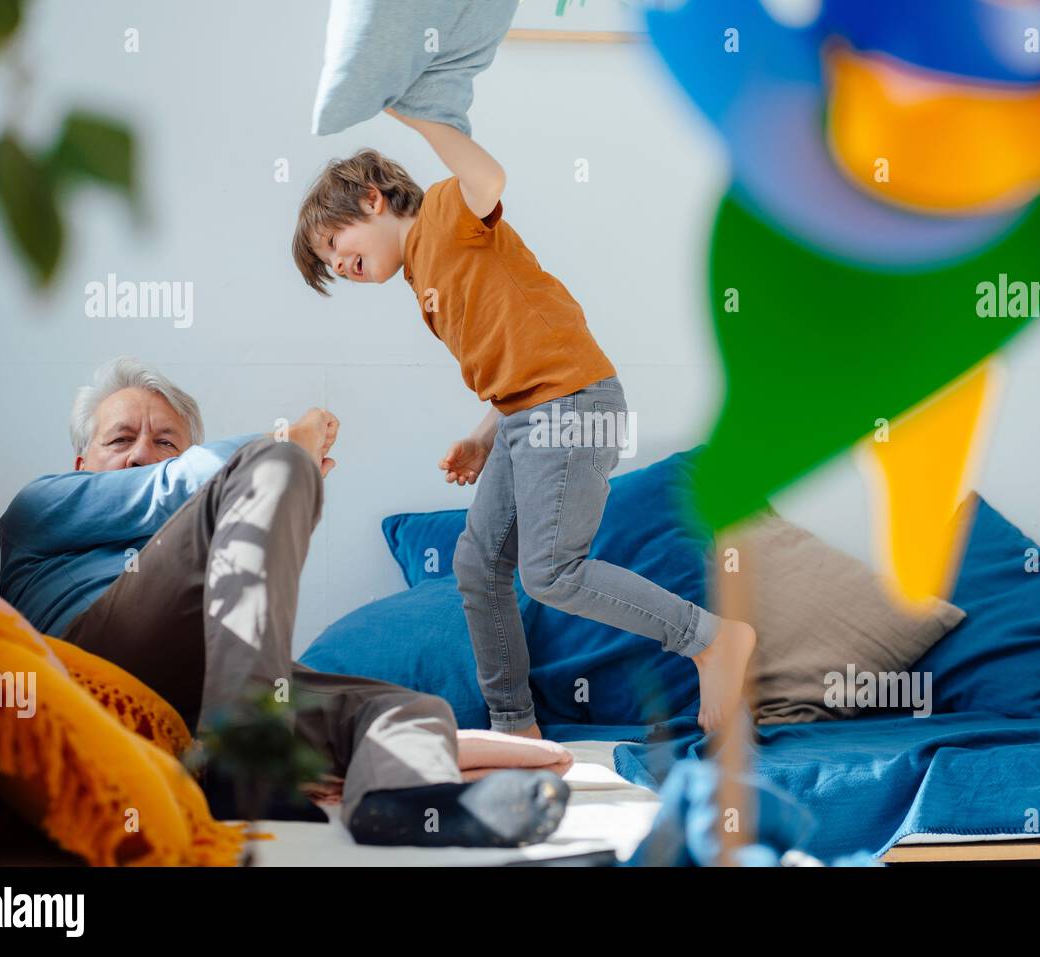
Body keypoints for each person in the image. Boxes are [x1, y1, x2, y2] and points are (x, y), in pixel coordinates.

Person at [292, 115, 758, 737]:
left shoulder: (443, 213)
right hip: (528, 413)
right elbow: (520, 357)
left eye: (337, 245)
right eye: (333, 267)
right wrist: (485, 434)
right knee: (478, 565)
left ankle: (711, 639)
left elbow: (487, 175)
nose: (342, 266)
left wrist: (414, 113)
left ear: (372, 200)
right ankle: (515, 724)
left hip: (571, 406)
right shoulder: (422, 275)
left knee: (550, 572)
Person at [0, 356, 570, 847]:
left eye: (165, 442)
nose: (144, 454)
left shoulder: (201, 520)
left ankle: (400, 804)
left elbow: (193, 496)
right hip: (92, 666)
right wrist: (284, 452)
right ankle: (246, 754)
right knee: (279, 462)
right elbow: (170, 487)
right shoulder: (40, 505)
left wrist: (268, 480)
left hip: (195, 699)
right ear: (80, 464)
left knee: (411, 711)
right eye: (120, 439)